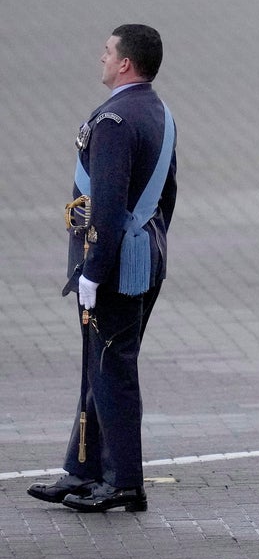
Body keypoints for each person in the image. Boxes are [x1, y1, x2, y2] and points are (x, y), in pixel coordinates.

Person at [28, 25, 177, 513]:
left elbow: (108, 205)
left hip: (114, 265)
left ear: (126, 64)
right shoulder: (157, 110)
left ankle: (125, 481)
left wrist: (93, 271)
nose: (102, 57)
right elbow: (165, 194)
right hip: (144, 256)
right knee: (101, 364)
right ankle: (84, 469)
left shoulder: (115, 119)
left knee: (112, 368)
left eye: (108, 51)